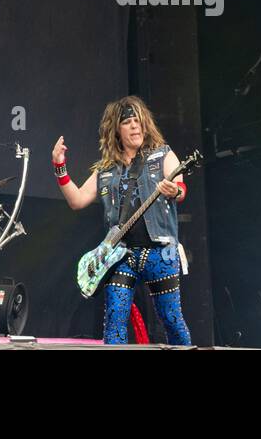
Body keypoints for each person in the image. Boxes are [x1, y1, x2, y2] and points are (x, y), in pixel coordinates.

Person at [53, 96, 192, 345]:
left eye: (138, 121)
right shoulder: (106, 169)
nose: (135, 126)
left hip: (160, 253)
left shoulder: (163, 155)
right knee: (115, 320)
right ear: (116, 130)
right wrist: (59, 167)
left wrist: (176, 191)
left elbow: (181, 189)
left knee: (171, 318)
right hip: (121, 256)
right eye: (127, 122)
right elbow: (77, 200)